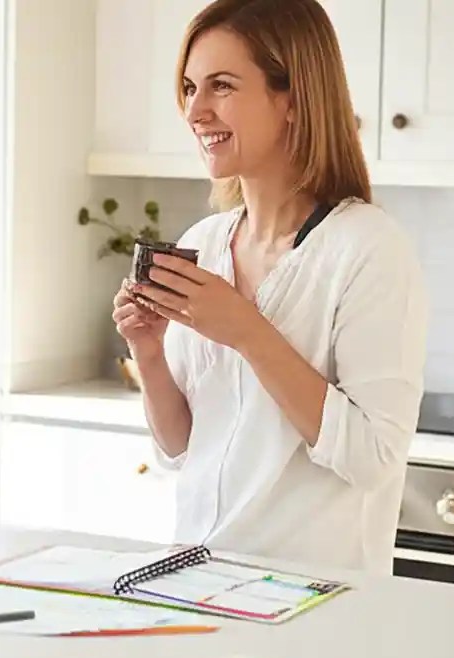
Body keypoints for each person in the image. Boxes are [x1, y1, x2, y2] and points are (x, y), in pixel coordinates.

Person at [111, 0, 427, 575]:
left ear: (291, 97)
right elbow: (182, 449)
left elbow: (374, 458)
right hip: (193, 580)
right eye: (188, 87)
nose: (195, 111)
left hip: (312, 604)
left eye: (222, 86)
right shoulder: (205, 244)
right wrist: (150, 353)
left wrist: (248, 332)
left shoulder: (367, 248)